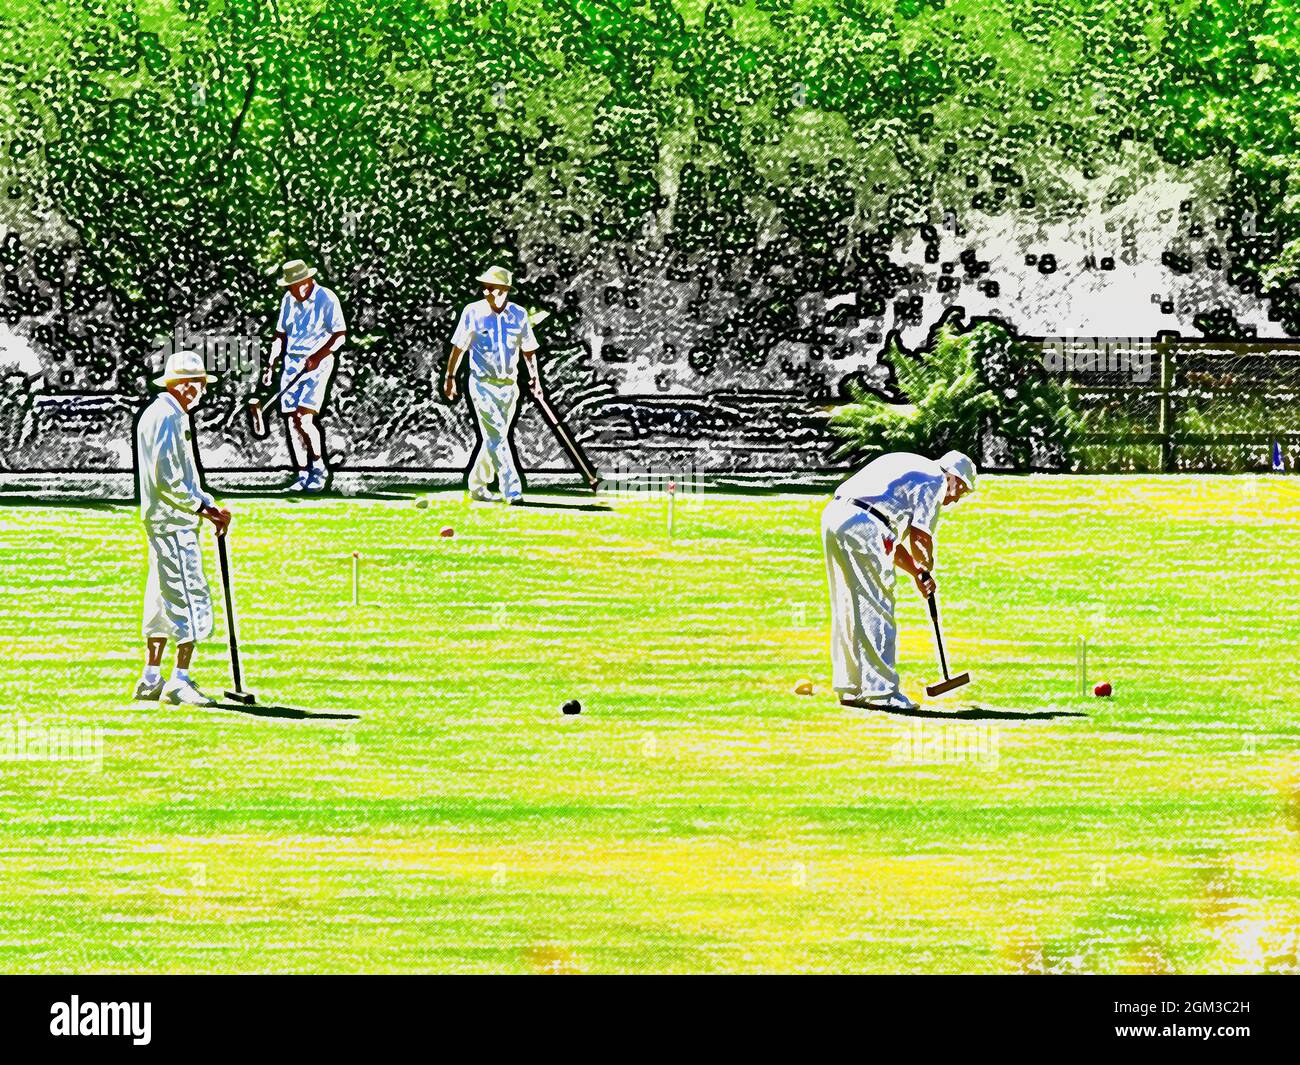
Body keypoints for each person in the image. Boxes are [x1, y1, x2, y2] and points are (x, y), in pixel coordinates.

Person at [822, 450, 977, 711]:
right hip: (864, 524)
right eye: (960, 491)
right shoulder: (935, 480)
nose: (954, 500)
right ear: (955, 478)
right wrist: (927, 566)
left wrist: (917, 572)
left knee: (848, 605)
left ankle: (850, 687)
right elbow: (920, 537)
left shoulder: (914, 469)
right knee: (876, 606)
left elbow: (889, 540)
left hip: (836, 516)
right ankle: (882, 692)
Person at [133, 350, 232, 706]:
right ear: (186, 386)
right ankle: (180, 680)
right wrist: (202, 509)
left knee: (160, 598)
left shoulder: (162, 413)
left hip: (164, 518)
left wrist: (207, 502)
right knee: (188, 596)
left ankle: (150, 677)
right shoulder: (168, 418)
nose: (202, 393)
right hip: (173, 521)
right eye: (200, 386)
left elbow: (184, 476)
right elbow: (168, 478)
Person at [443, 265, 545, 504]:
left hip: (509, 385)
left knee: (494, 438)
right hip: (481, 384)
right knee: (498, 436)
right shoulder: (473, 312)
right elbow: (459, 348)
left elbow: (528, 350)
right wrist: (450, 377)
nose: (488, 292)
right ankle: (512, 490)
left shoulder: (518, 314)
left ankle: (477, 485)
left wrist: (534, 378)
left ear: (505, 290)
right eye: (485, 288)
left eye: (493, 288)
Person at [263, 259, 347, 492]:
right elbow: (280, 335)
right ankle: (301, 475)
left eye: (295, 284)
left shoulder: (326, 298)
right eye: (289, 285)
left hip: (318, 365)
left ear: (307, 280)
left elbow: (340, 335)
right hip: (292, 364)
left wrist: (318, 356)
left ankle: (318, 468)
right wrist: (271, 363)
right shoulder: (288, 300)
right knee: (291, 420)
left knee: (303, 417)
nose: (292, 289)